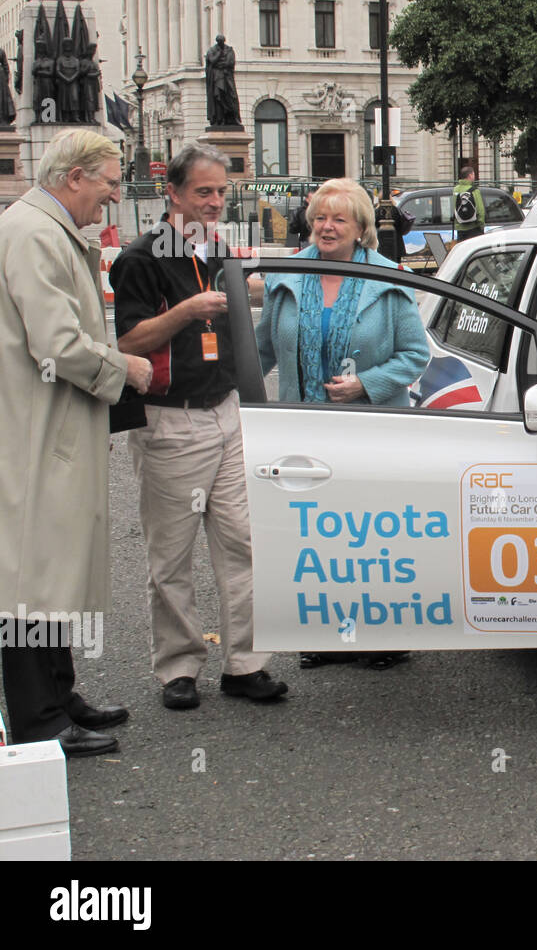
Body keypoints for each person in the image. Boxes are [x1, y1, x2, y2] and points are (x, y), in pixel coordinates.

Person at [109, 142, 289, 710]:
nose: (214, 202)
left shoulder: (219, 248)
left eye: (221, 192)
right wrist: (186, 311)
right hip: (171, 418)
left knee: (243, 544)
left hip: (226, 412)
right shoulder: (140, 258)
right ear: (173, 193)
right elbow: (128, 342)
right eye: (203, 192)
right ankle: (179, 667)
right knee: (172, 555)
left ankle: (245, 664)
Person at [0, 129, 153, 756]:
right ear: (74, 178)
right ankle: (39, 719)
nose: (115, 195)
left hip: (49, 423)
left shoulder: (44, 228)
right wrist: (124, 368)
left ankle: (59, 699)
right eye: (110, 183)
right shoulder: (35, 233)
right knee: (30, 578)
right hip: (37, 431)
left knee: (51, 569)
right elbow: (58, 344)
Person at [256, 177, 430, 671]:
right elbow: (262, 349)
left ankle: (382, 634)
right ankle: (327, 633)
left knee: (372, 534)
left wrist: (365, 384)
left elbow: (415, 354)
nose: (326, 227)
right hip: (305, 427)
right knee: (318, 534)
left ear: (360, 228)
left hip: (373, 431)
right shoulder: (287, 276)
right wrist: (228, 393)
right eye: (319, 217)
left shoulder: (389, 278)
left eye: (338, 219)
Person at [451, 165, 486, 242]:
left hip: (460, 228)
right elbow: (480, 210)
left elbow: (454, 207)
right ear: (470, 175)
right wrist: (481, 225)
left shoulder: (455, 190)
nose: (474, 176)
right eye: (473, 174)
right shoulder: (474, 190)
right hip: (474, 228)